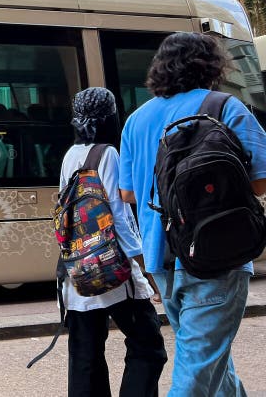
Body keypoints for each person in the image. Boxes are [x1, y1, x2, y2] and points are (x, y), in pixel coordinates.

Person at [119, 32, 266, 396]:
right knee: (200, 366)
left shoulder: (136, 119)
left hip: (160, 257)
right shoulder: (224, 107)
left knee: (209, 357)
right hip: (217, 253)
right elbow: (261, 183)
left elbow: (127, 193)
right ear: (212, 66)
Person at [60, 87, 166, 397]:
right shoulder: (108, 153)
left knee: (85, 356)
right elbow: (118, 217)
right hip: (113, 270)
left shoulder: (70, 155)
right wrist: (146, 268)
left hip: (78, 270)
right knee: (148, 345)